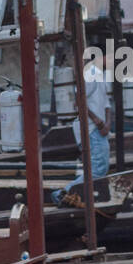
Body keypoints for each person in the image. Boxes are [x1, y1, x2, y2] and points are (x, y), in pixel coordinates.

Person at [53, 52, 111, 204]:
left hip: (99, 129)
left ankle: (82, 197)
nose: (112, 61)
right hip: (91, 129)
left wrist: (107, 124)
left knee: (100, 168)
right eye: (110, 57)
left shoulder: (101, 75)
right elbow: (79, 100)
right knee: (98, 169)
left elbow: (106, 104)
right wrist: (97, 121)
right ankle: (63, 193)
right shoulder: (90, 74)